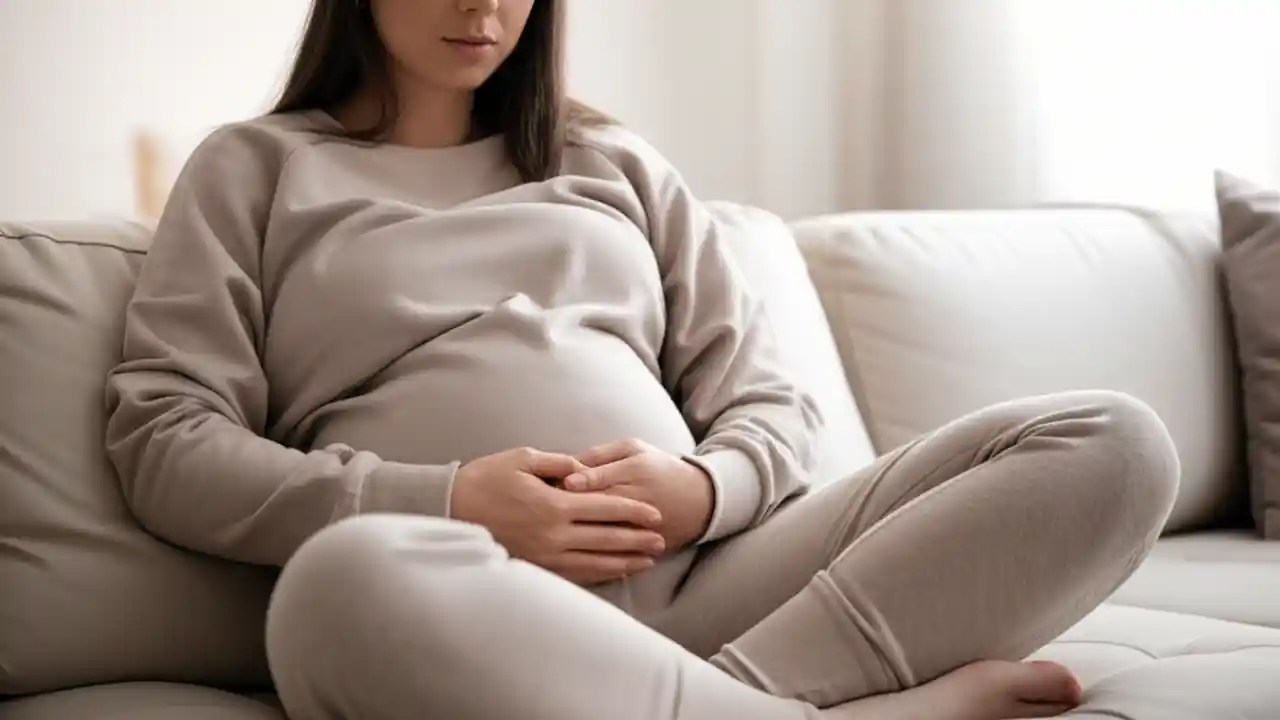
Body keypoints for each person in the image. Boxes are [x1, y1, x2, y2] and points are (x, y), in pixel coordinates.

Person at [104, 1, 1180, 718]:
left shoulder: (610, 159)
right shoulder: (254, 168)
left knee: (1114, 443)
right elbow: (167, 443)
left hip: (716, 586)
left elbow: (773, 407)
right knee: (335, 590)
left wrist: (702, 491)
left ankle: (729, 697)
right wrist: (453, 501)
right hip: (473, 608)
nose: (482, 4)